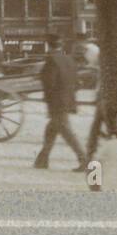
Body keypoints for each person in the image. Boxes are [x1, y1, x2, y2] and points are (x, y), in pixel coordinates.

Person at [33, 33, 86, 171]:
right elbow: (77, 82)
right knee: (51, 130)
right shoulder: (69, 59)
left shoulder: (51, 60)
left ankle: (84, 160)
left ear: (48, 46)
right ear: (61, 45)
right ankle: (42, 160)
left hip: (57, 103)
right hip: (68, 100)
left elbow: (49, 83)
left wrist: (47, 97)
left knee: (66, 132)